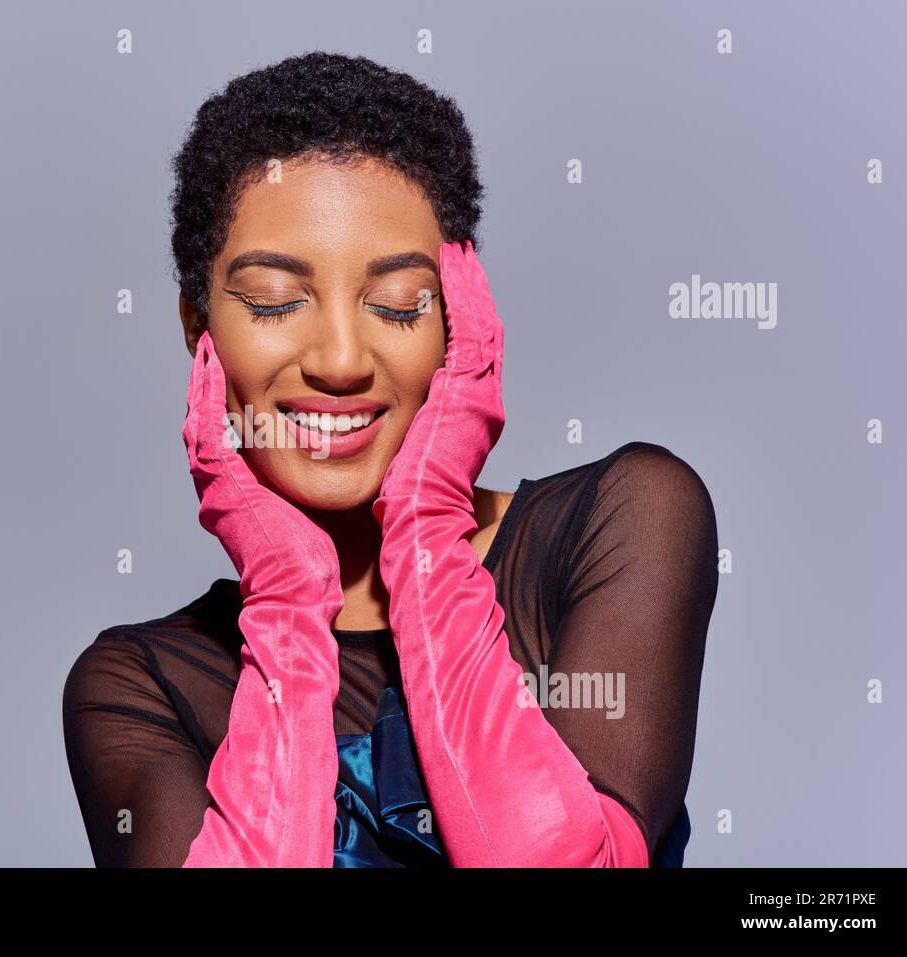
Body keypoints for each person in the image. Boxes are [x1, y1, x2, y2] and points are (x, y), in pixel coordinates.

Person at [63, 51, 718, 867]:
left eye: (397, 305)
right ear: (201, 332)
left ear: (460, 318)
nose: (341, 358)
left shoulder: (624, 517)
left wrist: (423, 530)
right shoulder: (139, 683)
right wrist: (288, 589)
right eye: (274, 300)